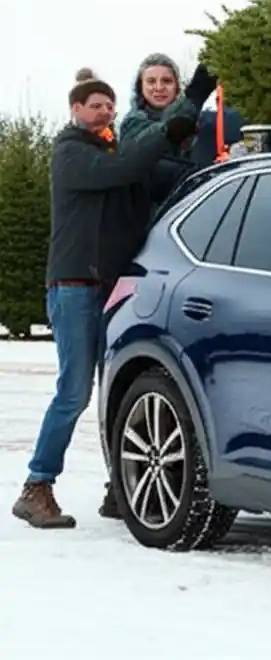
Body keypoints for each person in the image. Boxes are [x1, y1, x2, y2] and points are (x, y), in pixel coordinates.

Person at [11, 65, 216, 529]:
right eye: (95, 105)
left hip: (110, 285)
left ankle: (118, 489)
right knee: (74, 390)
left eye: (109, 105)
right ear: (76, 109)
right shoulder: (70, 153)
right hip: (75, 287)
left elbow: (157, 179)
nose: (104, 111)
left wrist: (198, 131)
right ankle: (36, 486)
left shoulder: (111, 152)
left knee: (116, 387)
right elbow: (128, 167)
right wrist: (172, 126)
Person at [119, 53, 246, 210]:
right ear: (140, 87)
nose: (159, 88)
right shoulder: (133, 122)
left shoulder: (200, 120)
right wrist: (194, 97)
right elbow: (158, 137)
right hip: (152, 221)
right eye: (151, 81)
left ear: (177, 86)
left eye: (167, 81)